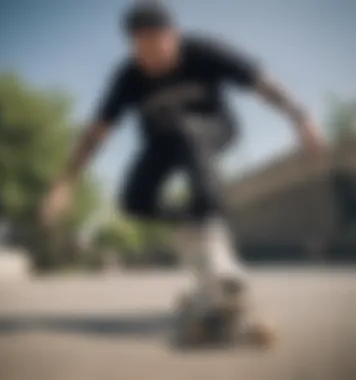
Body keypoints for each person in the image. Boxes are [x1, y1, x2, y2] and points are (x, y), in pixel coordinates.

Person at [40, 1, 325, 315]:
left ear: (173, 36)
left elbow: (260, 82)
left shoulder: (203, 51)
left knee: (187, 132)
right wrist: (65, 181)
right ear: (132, 47)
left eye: (158, 48)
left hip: (216, 129)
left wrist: (300, 117)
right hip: (161, 145)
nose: (152, 60)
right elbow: (97, 132)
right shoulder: (127, 76)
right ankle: (199, 252)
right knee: (134, 200)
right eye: (142, 51)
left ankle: (219, 258)